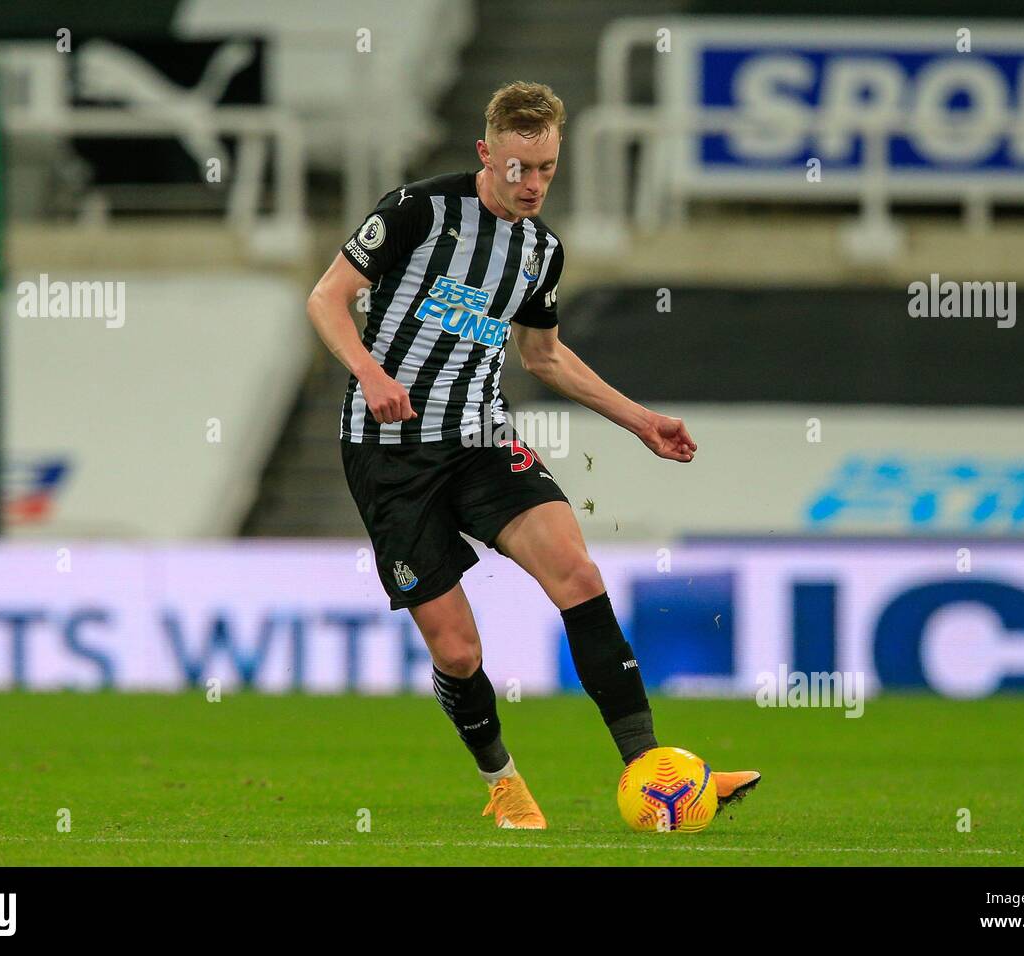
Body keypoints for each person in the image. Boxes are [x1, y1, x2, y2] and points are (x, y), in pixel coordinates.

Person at [306, 80, 760, 829]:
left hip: (482, 437)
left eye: (546, 168)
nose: (532, 184)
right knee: (456, 652)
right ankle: (504, 783)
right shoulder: (416, 211)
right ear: (487, 153)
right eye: (518, 167)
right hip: (388, 452)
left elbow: (543, 355)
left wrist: (639, 420)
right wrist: (371, 373)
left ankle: (654, 768)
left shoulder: (540, 250)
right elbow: (327, 296)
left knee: (577, 572)